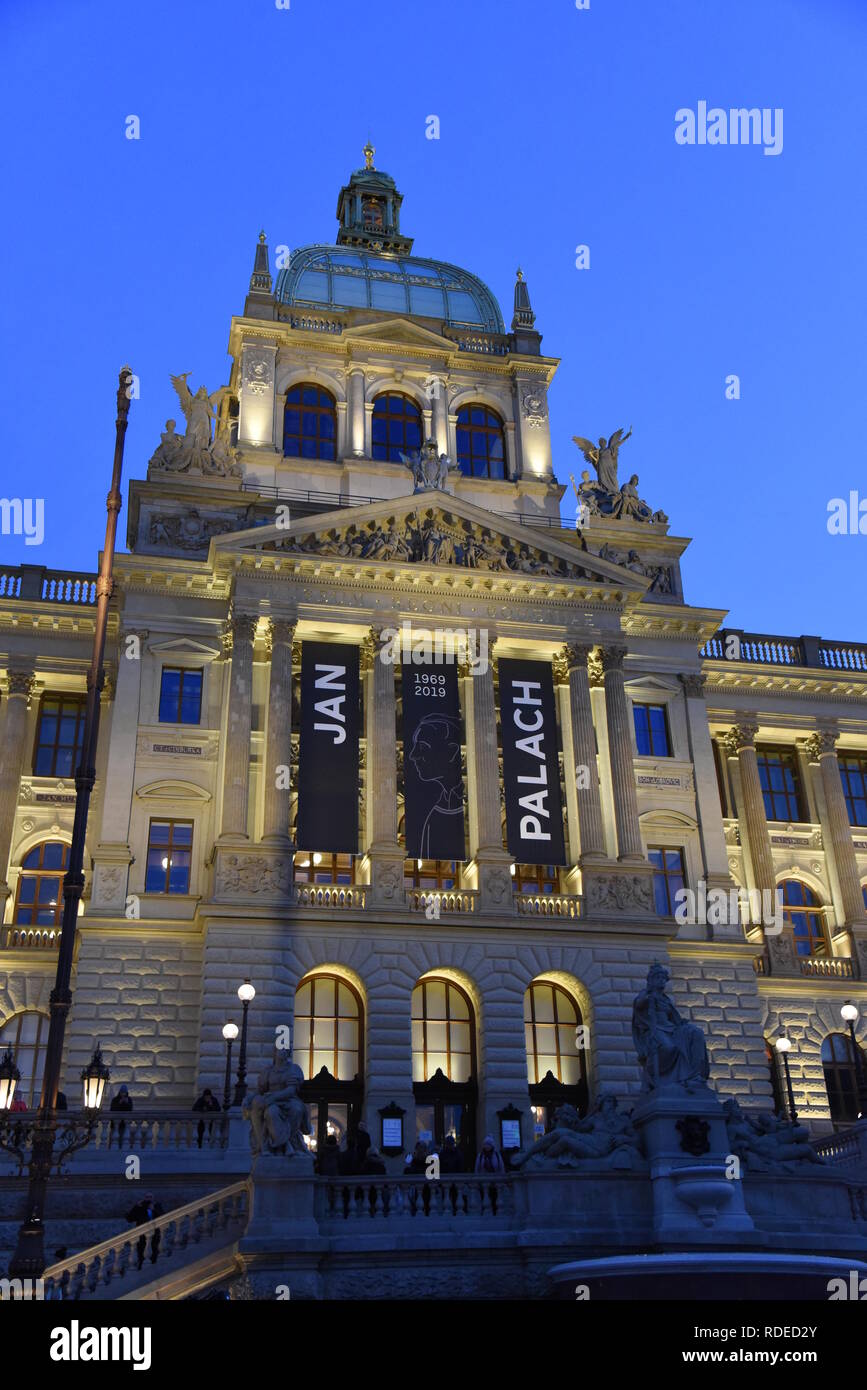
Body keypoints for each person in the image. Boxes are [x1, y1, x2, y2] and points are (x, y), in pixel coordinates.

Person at [125, 1192, 164, 1269]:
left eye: (150, 1197)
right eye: (147, 1197)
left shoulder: (157, 1206)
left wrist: (154, 1210)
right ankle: (141, 1266)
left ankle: (153, 1265)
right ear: (144, 1198)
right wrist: (136, 1206)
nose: (148, 1199)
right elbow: (129, 1218)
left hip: (154, 1233)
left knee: (154, 1249)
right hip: (141, 1234)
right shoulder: (140, 1207)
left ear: (153, 1198)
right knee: (141, 1250)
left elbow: (163, 1217)